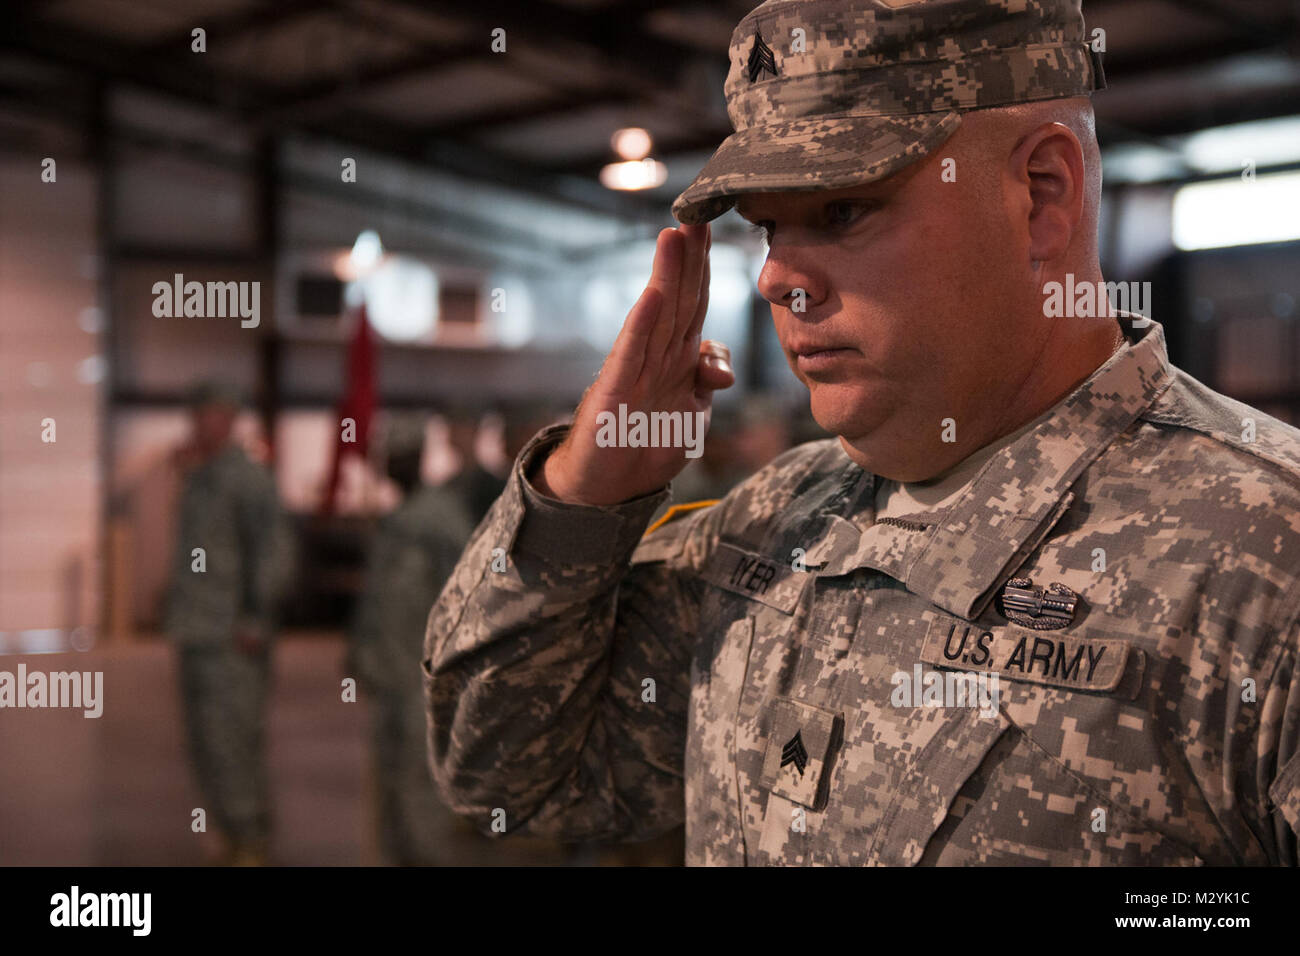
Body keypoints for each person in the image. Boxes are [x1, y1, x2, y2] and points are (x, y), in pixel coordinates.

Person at [422, 0, 1300, 865]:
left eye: (843, 210)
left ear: (1042, 196)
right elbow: (505, 777)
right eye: (769, 228)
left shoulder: (1264, 560)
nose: (775, 280)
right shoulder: (774, 520)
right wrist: (582, 498)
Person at [167, 381, 289, 866]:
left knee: (234, 739)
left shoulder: (248, 478)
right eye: (195, 413)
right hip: (195, 630)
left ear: (229, 417)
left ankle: (251, 836)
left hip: (233, 637)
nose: (199, 422)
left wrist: (257, 619)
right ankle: (224, 827)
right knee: (201, 741)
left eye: (209, 413)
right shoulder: (200, 477)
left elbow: (275, 553)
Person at [350, 417, 472, 865]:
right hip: (388, 674)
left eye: (402, 458)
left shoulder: (441, 519)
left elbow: (463, 595)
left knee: (420, 787)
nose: (393, 466)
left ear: (418, 459)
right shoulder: (394, 521)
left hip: (425, 679)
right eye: (389, 459)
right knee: (388, 785)